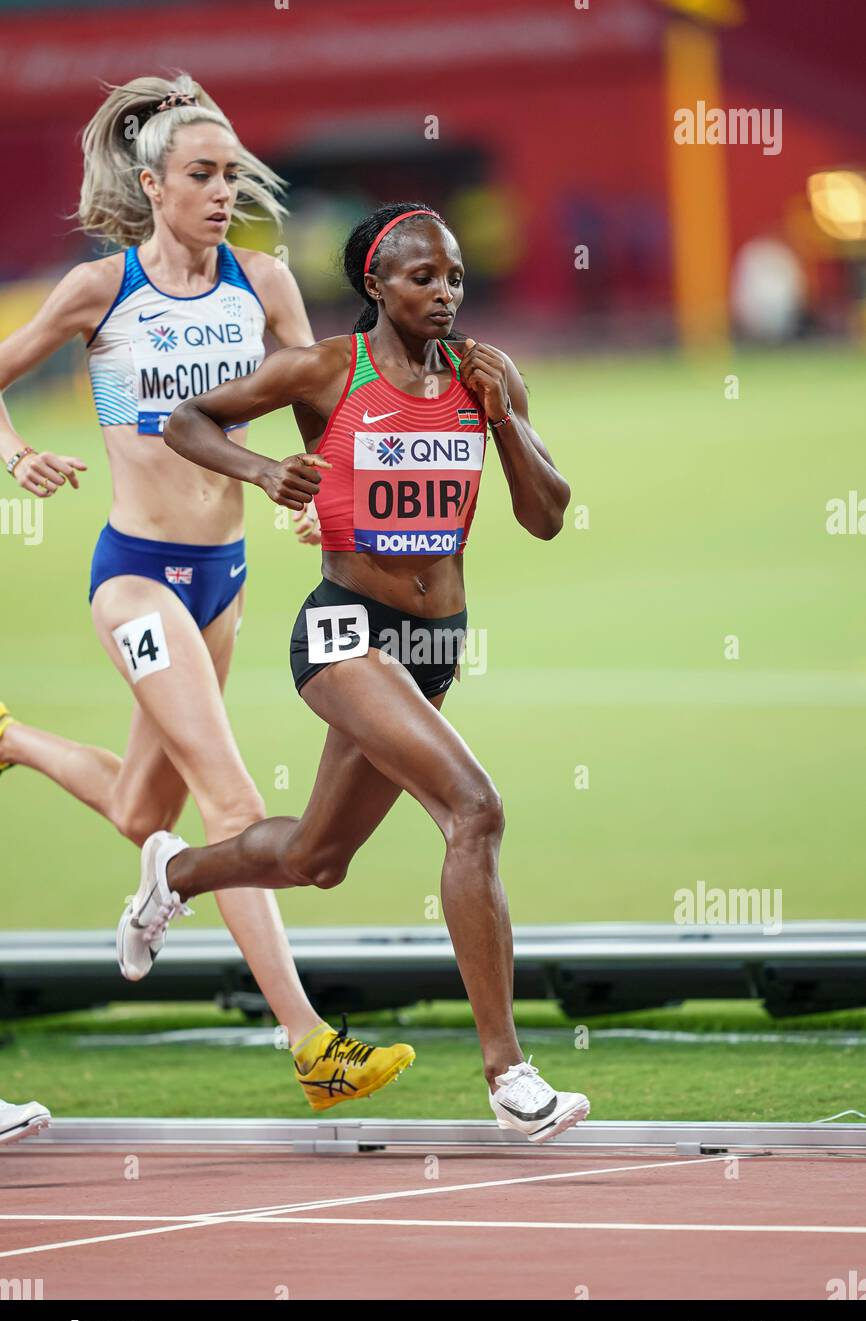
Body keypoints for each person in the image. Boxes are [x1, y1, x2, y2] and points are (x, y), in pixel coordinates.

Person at [123, 202, 591, 1143]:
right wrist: (261, 473)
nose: (445, 293)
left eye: (455, 276)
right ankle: (509, 1074)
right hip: (345, 627)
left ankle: (174, 872)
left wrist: (505, 426)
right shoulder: (328, 371)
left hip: (432, 644)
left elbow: (546, 515)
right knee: (475, 808)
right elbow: (185, 419)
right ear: (375, 286)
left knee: (315, 860)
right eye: (423, 277)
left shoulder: (486, 377)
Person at [0, 77, 412, 1109]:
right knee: (230, 800)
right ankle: (313, 1044)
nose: (224, 191)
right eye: (202, 175)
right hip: (135, 581)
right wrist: (15, 457)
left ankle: (10, 739)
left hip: (221, 582)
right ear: (151, 185)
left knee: (147, 805)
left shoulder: (264, 281)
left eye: (233, 173)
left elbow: (317, 406)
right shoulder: (101, 291)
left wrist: (321, 494)